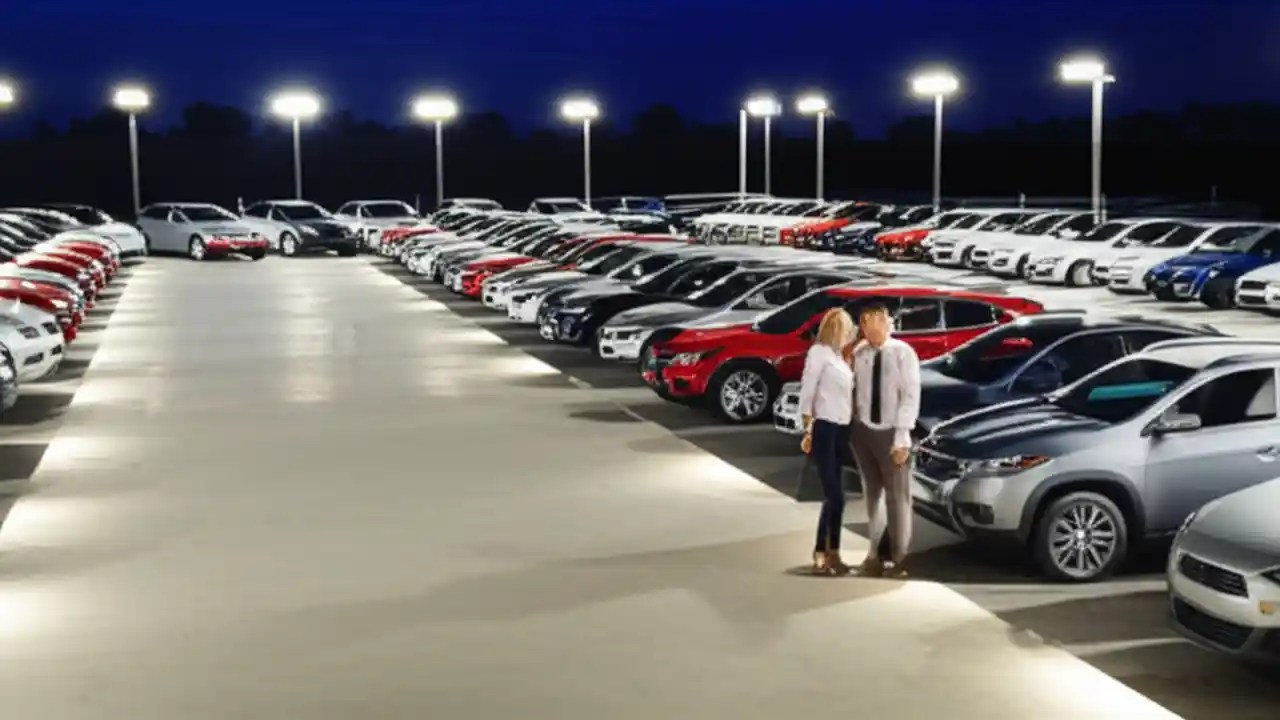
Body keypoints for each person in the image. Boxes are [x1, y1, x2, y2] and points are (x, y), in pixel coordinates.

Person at [849, 302, 921, 579]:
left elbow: (910, 396)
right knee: (871, 494)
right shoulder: (860, 352)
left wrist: (902, 438)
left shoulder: (903, 354)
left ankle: (898, 557)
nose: (867, 327)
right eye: (863, 322)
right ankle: (874, 553)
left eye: (872, 321)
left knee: (897, 498)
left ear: (885, 321)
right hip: (863, 431)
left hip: (892, 432)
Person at [798, 308, 857, 576]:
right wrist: (807, 427)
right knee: (834, 494)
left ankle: (827, 550)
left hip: (841, 428)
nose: (851, 334)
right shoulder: (819, 353)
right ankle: (826, 552)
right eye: (847, 329)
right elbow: (808, 389)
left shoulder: (839, 358)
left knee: (836, 497)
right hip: (825, 427)